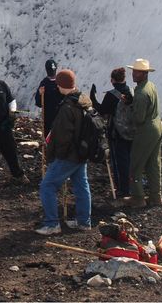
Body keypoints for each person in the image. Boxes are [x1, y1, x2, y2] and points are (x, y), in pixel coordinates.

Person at [35, 68, 93, 235]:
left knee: (47, 186)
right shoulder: (84, 100)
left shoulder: (67, 107)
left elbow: (62, 136)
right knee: (82, 185)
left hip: (68, 154)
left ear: (61, 85)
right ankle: (84, 221)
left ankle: (52, 223)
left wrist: (54, 155)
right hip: (82, 152)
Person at [126, 58, 162, 208]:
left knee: (136, 165)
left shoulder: (141, 93)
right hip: (158, 126)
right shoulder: (151, 86)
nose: (134, 74)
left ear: (144, 74)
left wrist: (130, 106)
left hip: (146, 131)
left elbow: (139, 119)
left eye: (137, 72)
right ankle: (156, 197)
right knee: (153, 163)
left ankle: (138, 198)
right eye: (134, 71)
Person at [90, 67, 134, 198]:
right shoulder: (131, 91)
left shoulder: (112, 95)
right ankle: (131, 187)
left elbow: (102, 111)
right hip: (131, 131)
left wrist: (93, 98)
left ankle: (122, 189)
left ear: (112, 80)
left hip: (117, 133)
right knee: (130, 160)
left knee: (119, 162)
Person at [35, 59, 62, 136]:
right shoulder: (44, 83)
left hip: (60, 117)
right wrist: (40, 94)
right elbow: (38, 103)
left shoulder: (60, 81)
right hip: (49, 118)